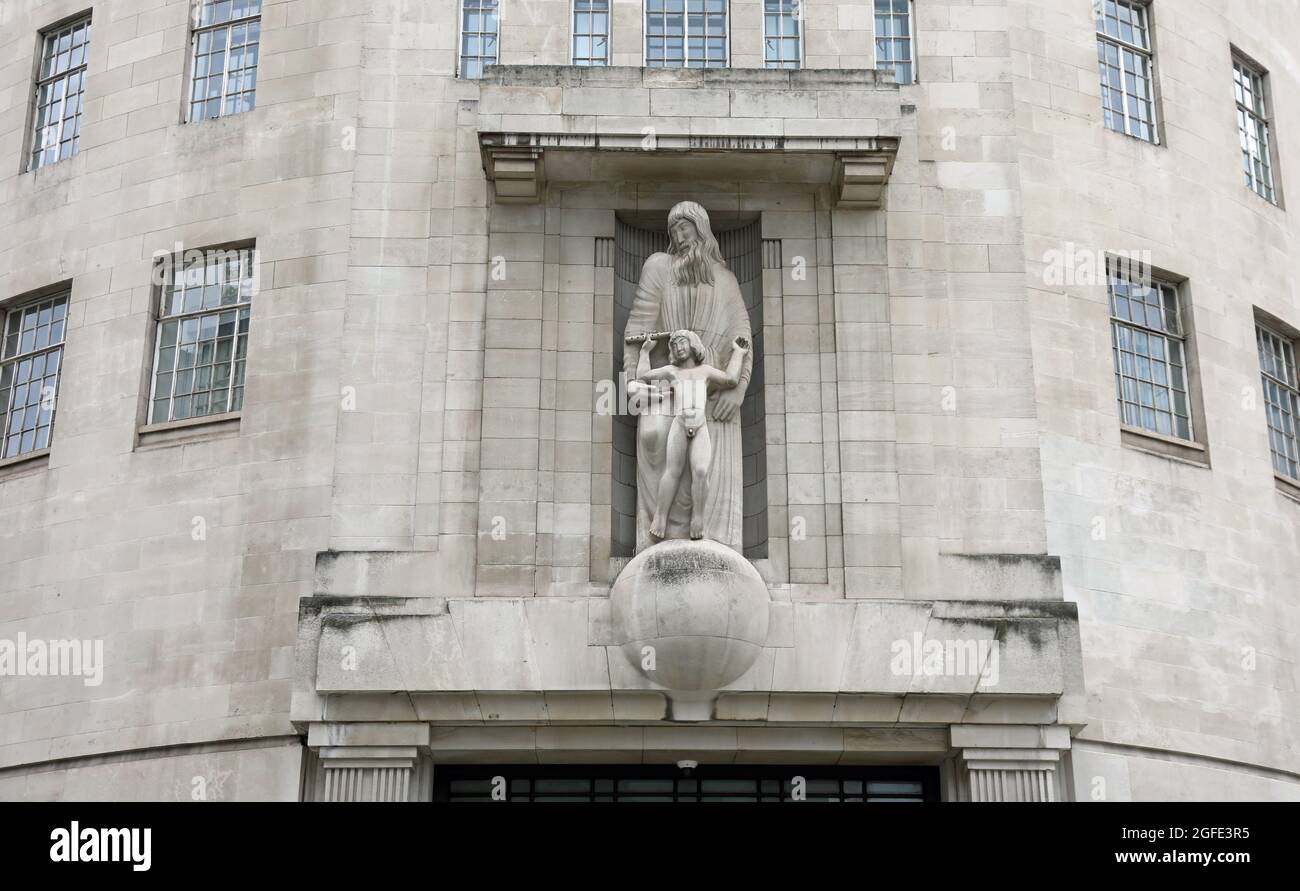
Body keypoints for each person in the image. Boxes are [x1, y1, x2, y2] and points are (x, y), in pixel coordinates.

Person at [635, 330, 749, 539]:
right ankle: (660, 517)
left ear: (693, 344)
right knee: (672, 472)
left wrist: (738, 354)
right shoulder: (671, 371)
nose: (678, 347)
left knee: (701, 470)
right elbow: (642, 377)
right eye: (674, 345)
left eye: (682, 343)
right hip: (679, 424)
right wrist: (645, 352)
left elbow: (731, 380)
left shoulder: (705, 371)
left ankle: (698, 518)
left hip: (700, 425)